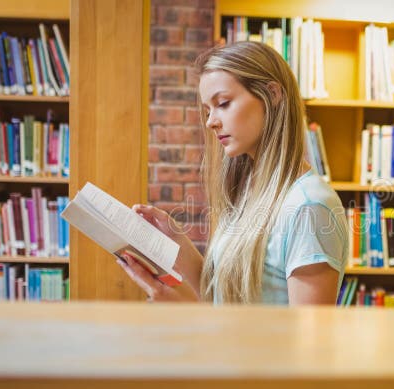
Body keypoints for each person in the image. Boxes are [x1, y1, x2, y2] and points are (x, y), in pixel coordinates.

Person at [117, 41, 349, 305]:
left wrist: (188, 314)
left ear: (272, 95)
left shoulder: (309, 207)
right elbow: (221, 296)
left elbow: (307, 341)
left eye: (223, 103)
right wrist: (175, 240)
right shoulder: (249, 189)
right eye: (207, 110)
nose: (210, 121)